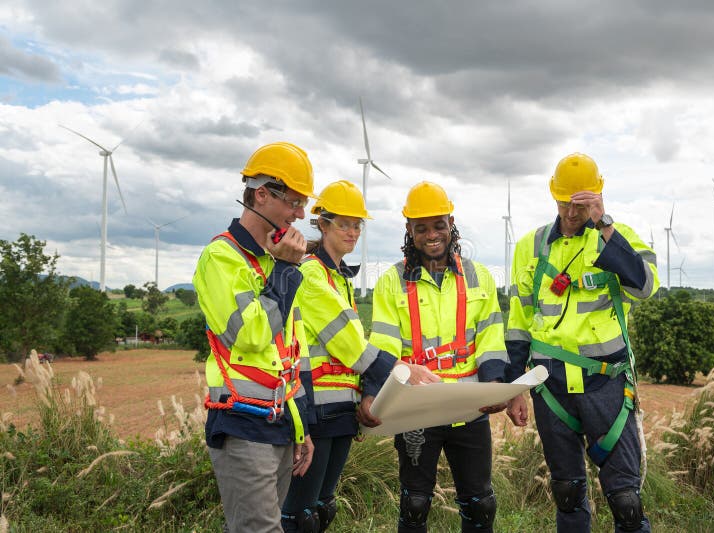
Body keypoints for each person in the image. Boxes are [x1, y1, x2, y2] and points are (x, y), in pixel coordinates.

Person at [504, 153, 659, 532]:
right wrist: (514, 387)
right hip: (550, 384)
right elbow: (518, 320)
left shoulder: (615, 237)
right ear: (553, 197)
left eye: (580, 205)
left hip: (605, 383)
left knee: (625, 499)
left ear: (596, 199)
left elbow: (645, 286)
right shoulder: (531, 246)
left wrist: (604, 225)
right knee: (567, 493)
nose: (571, 214)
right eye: (564, 204)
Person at [281, 180, 438, 532]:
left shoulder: (339, 277)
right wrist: (400, 368)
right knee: (300, 515)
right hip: (317, 406)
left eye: (357, 225)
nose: (353, 232)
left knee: (322, 509)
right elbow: (348, 343)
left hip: (340, 408)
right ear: (322, 224)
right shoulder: (310, 272)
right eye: (344, 224)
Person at [367, 181, 509, 533]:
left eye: (438, 225)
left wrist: (494, 385)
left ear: (451, 224)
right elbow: (383, 347)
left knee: (480, 505)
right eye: (422, 228)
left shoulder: (479, 276)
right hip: (417, 409)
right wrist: (374, 391)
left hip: (469, 407)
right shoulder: (392, 281)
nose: (432, 235)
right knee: (415, 504)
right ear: (409, 231)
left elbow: (491, 336)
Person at [193, 142, 316, 532]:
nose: (300, 215)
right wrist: (284, 270)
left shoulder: (274, 260)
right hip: (242, 422)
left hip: (279, 422)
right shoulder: (222, 258)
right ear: (260, 194)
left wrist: (302, 427)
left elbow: (288, 356)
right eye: (294, 202)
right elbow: (248, 335)